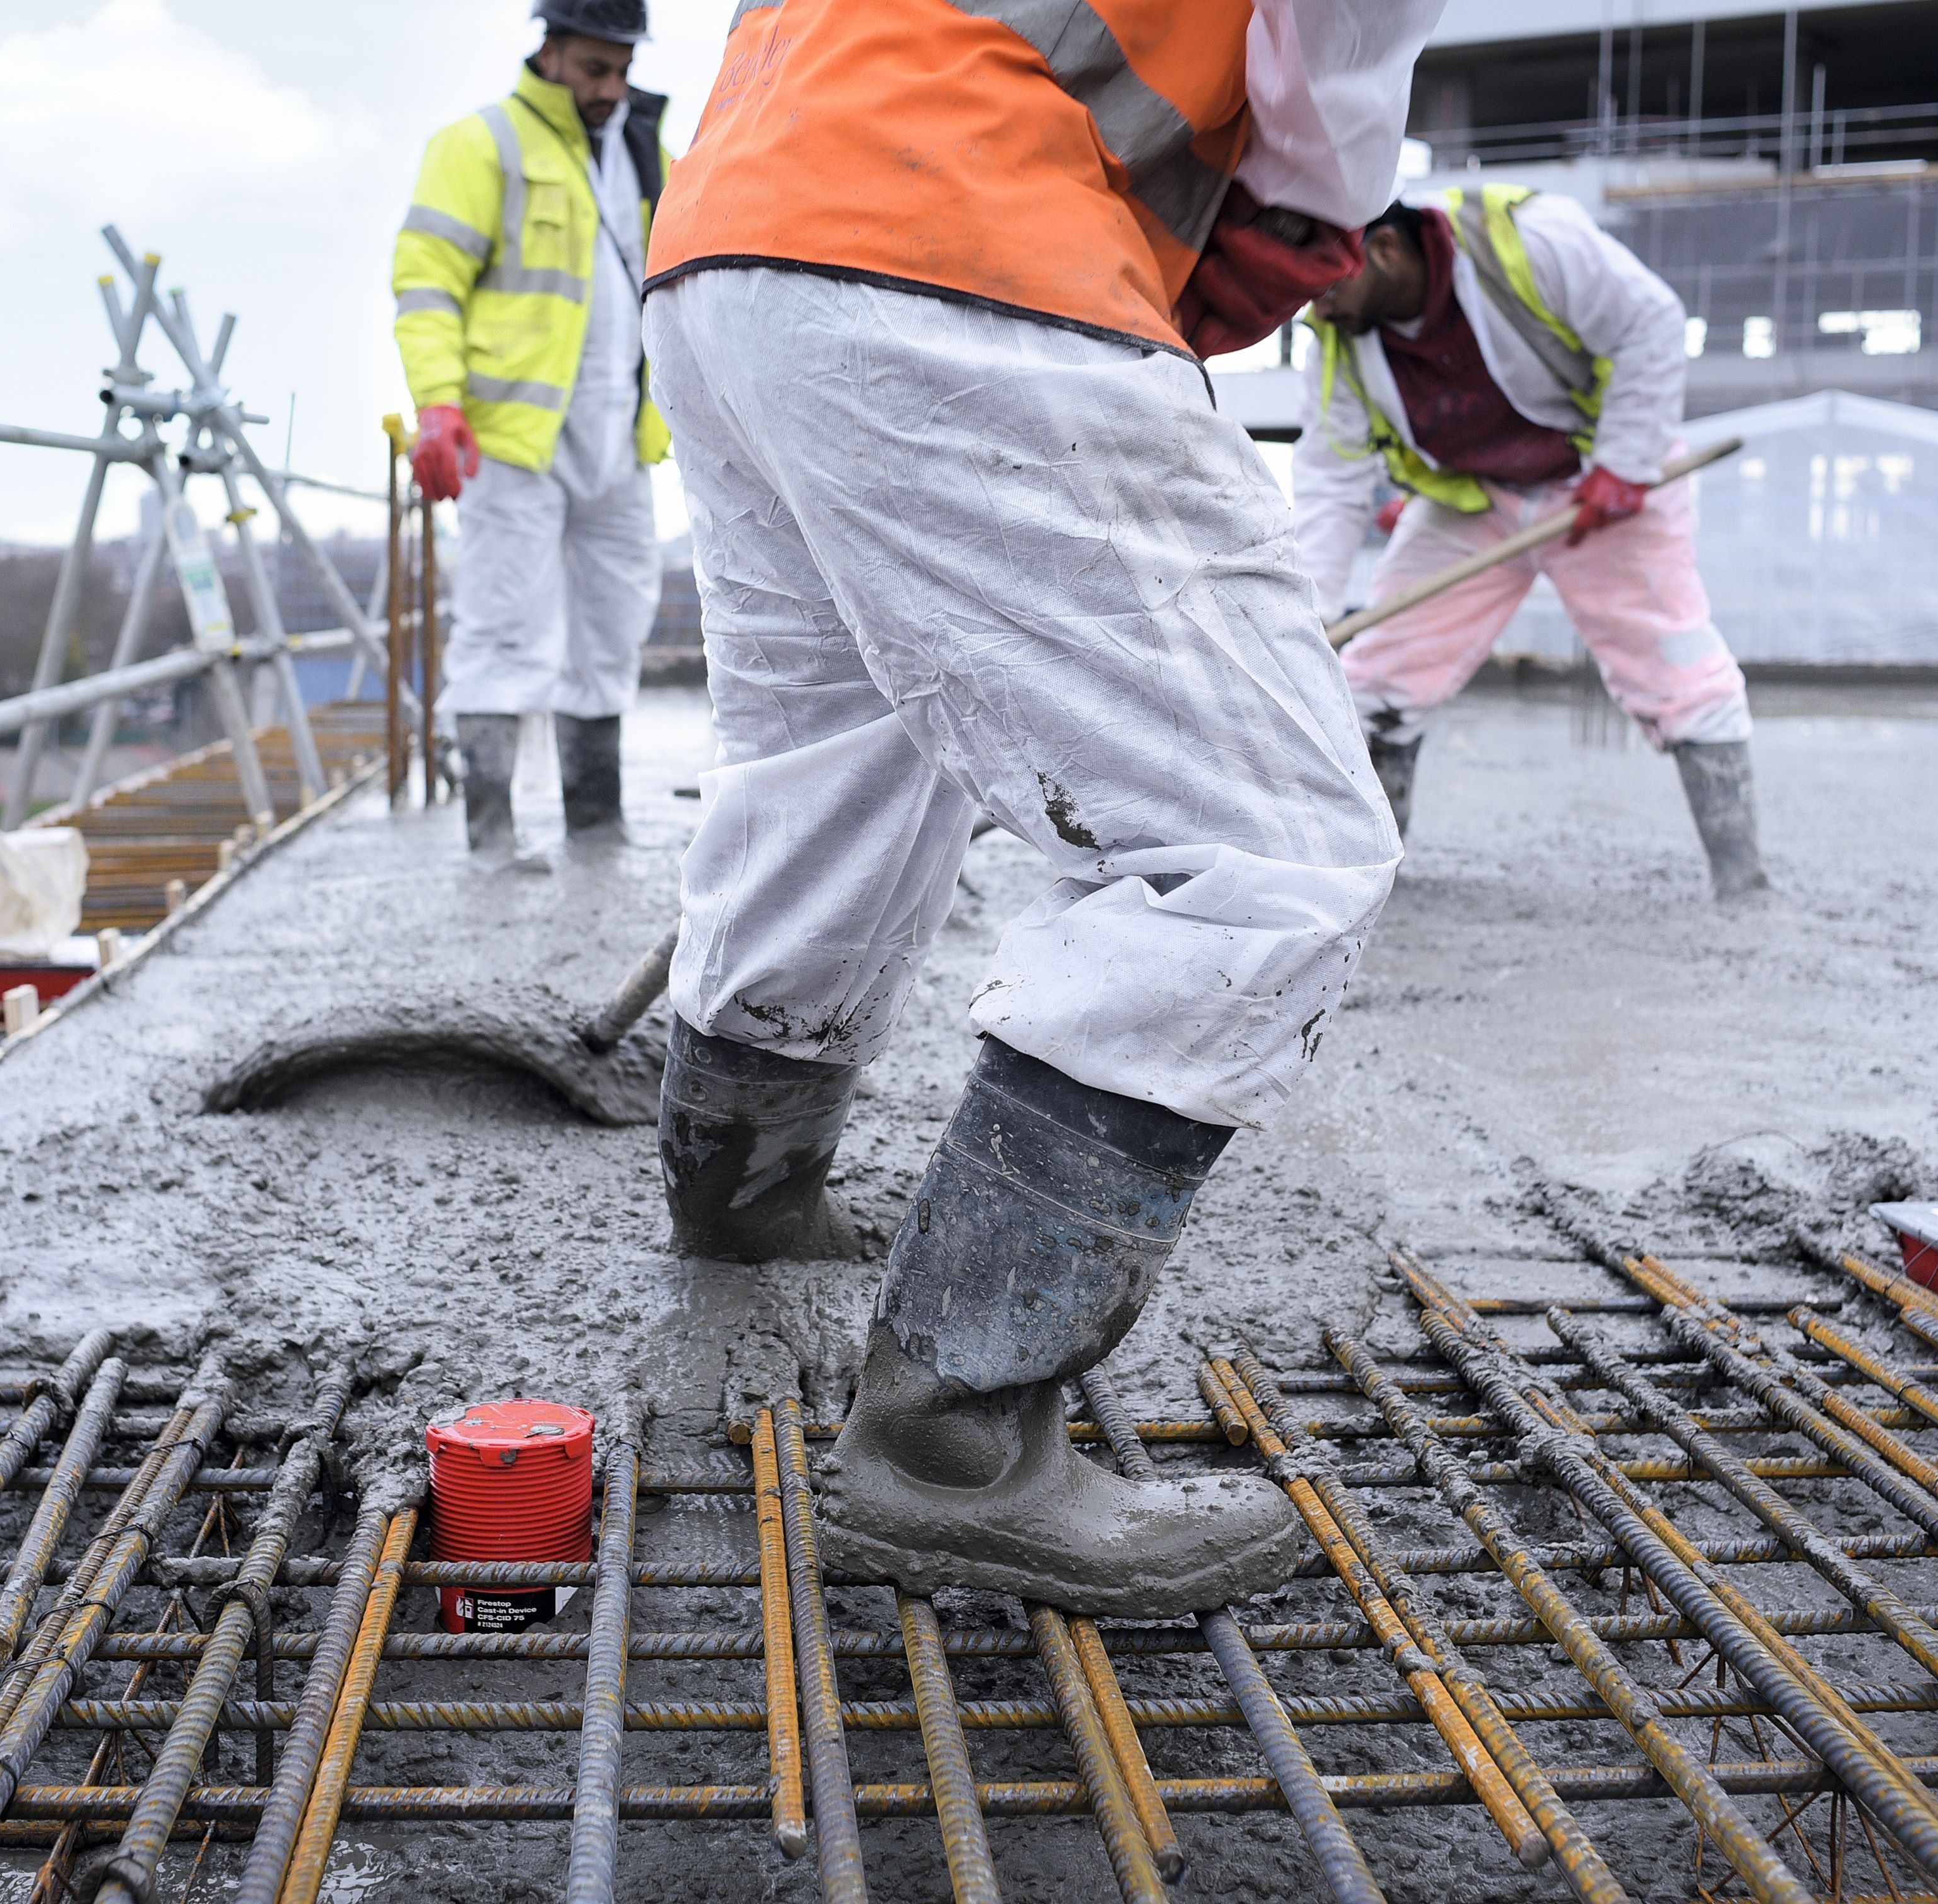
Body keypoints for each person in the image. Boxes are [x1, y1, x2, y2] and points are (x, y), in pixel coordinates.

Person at [640, 0, 1437, 1617]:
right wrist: (1299, 210)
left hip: (733, 242)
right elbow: (1337, 54)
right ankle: (954, 1447)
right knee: (1264, 847)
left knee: (832, 751)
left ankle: (742, 1191)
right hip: (966, 245)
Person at [1296, 187, 1771, 899]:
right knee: (1376, 679)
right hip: (1475, 500)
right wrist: (1313, 618)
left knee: (1682, 676)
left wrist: (1625, 461)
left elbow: (1651, 322)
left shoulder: (1527, 241)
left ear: (1383, 251)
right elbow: (1332, 484)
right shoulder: (1337, 340)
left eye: (1327, 289)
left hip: (1599, 485)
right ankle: (1370, 886)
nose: (1317, 310)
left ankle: (1743, 886)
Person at [391, 0, 670, 868]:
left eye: (622, 69)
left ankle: (595, 821)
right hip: (513, 436)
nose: (612, 88)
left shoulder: (646, 151)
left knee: (614, 623)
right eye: (595, 68)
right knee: (505, 626)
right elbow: (427, 283)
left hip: (619, 438)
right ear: (549, 52)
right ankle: (492, 836)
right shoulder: (480, 146)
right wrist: (438, 403)